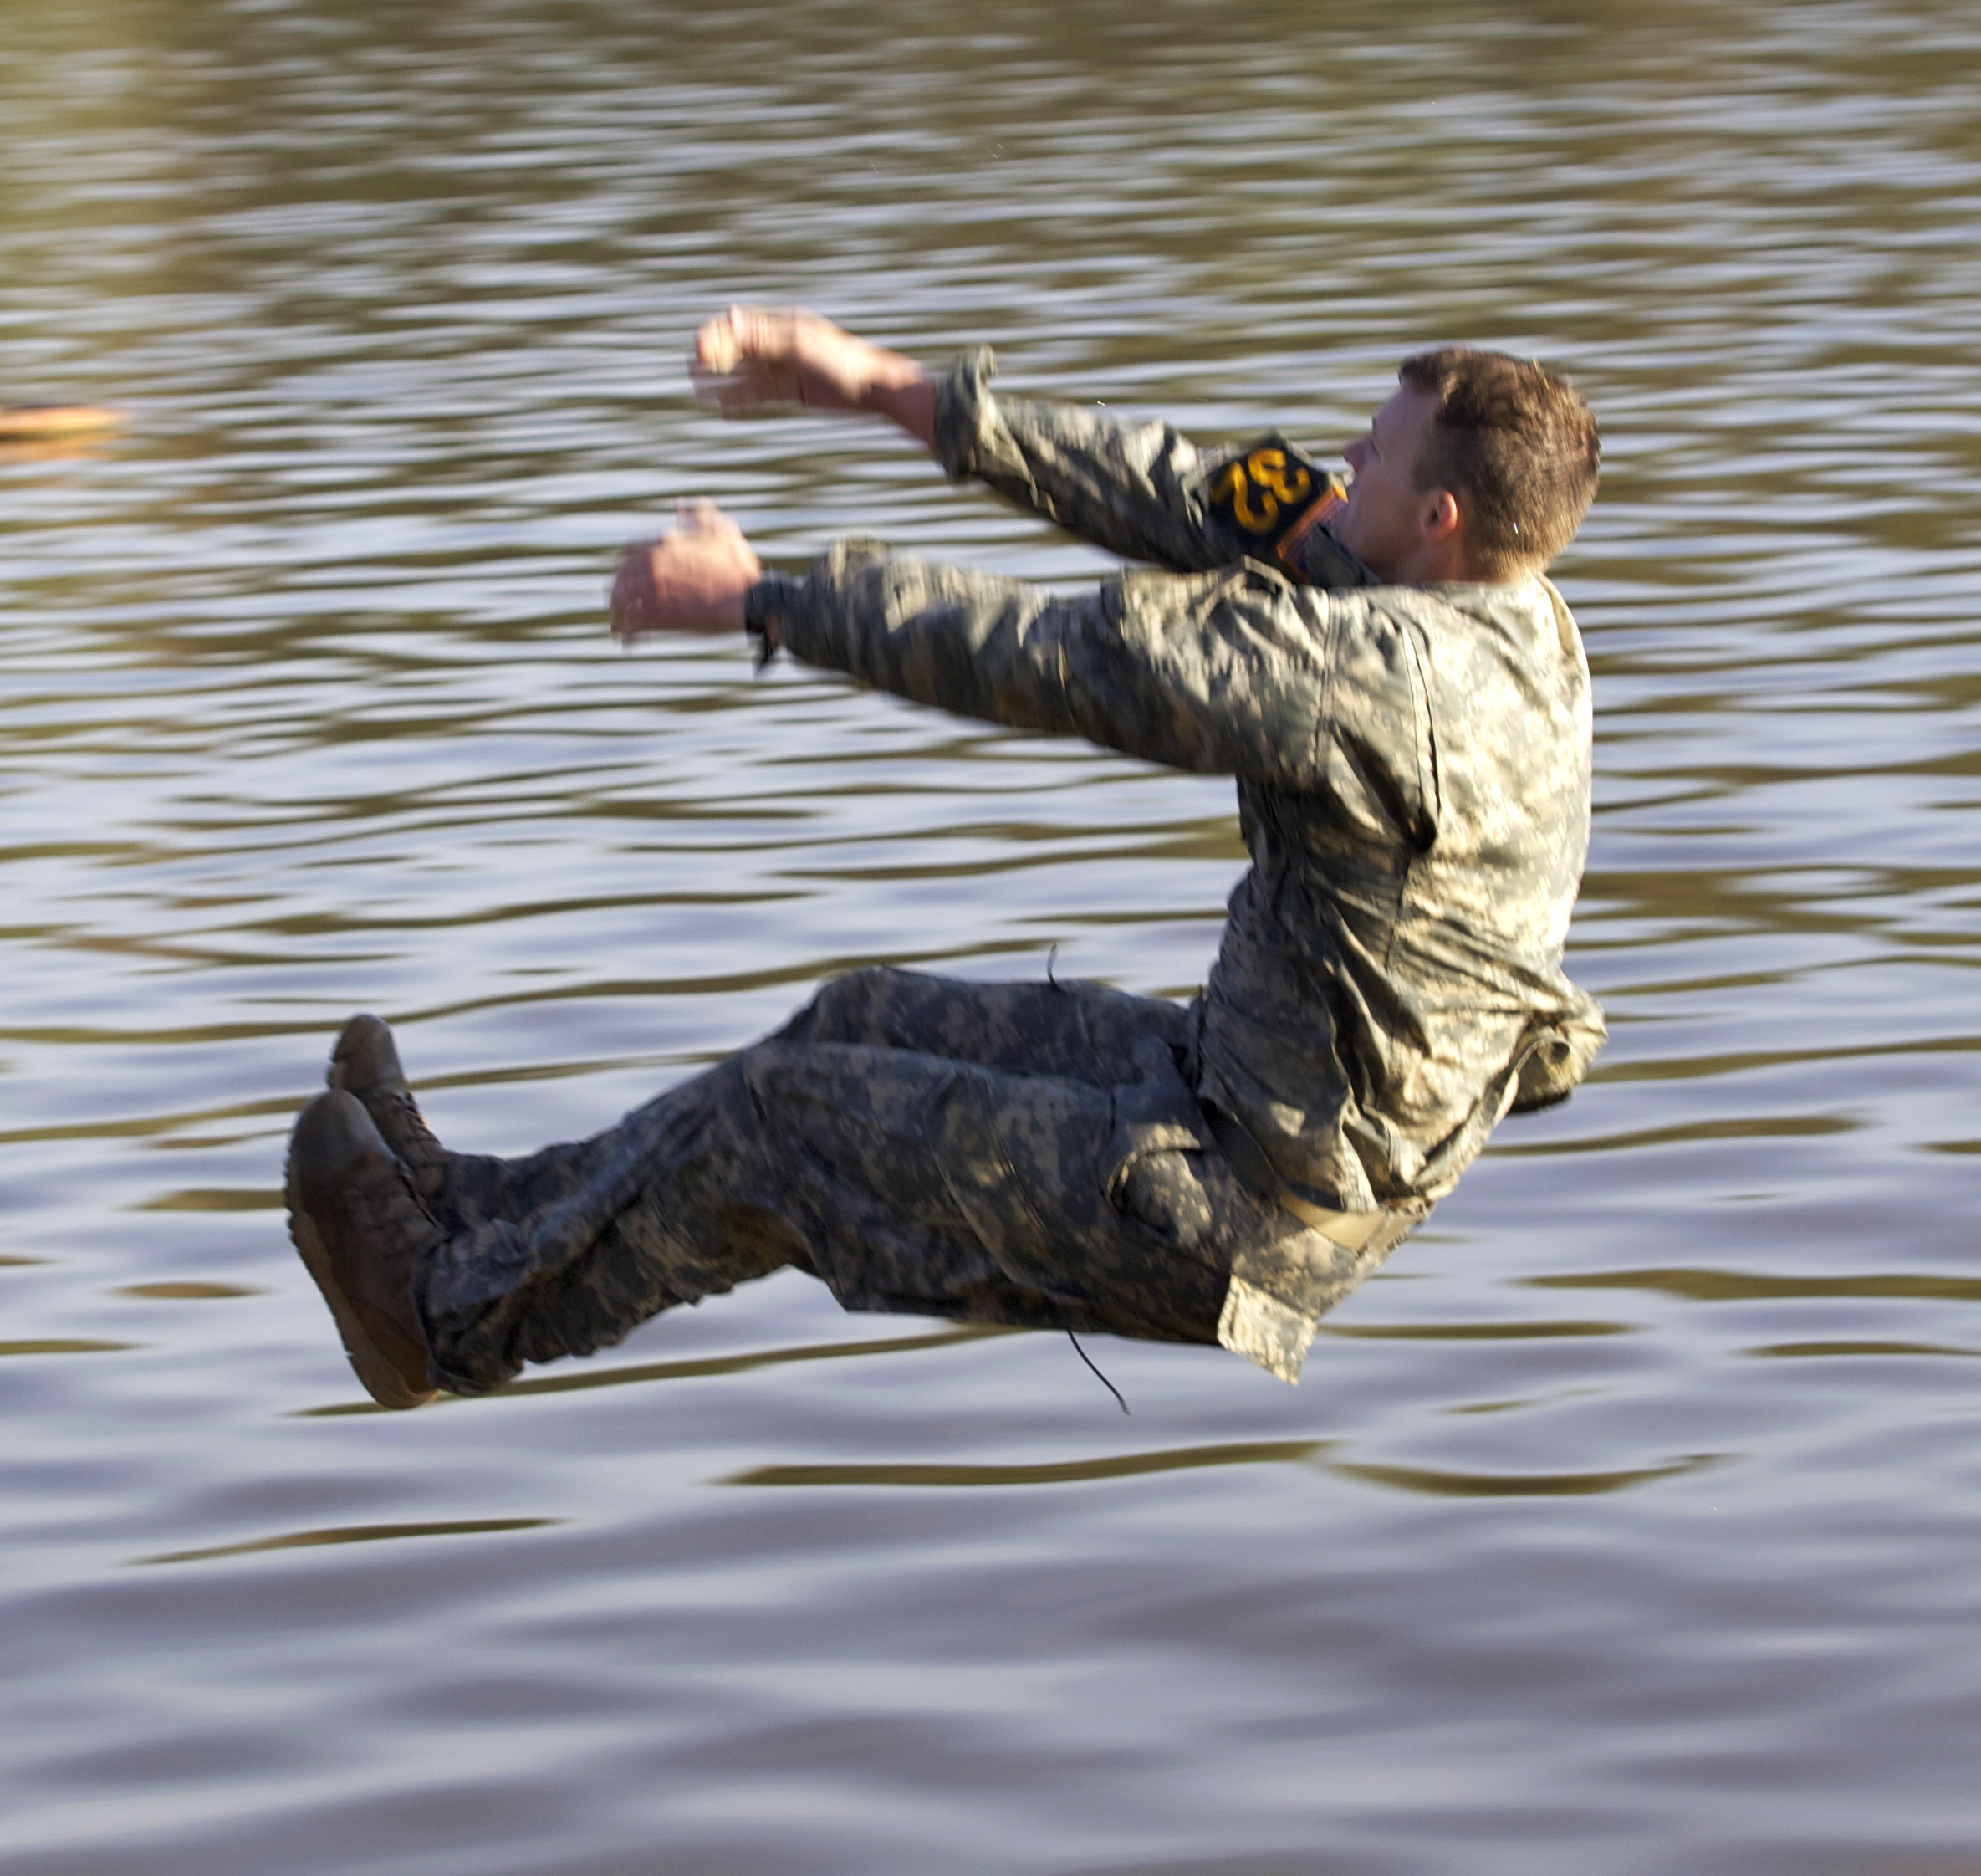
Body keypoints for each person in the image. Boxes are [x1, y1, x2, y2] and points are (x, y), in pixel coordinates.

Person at [285, 310, 1605, 1409]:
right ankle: (477, 1217)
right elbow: (1189, 490)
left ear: (1433, 516)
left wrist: (766, 602)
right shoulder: (1491, 594)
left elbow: (1071, 662)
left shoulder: (1392, 678)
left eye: (1364, 454)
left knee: (779, 1123)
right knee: (854, 1018)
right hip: (1227, 1100)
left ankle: (445, 1321)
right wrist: (888, 392)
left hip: (1245, 1209)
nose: (1337, 464)